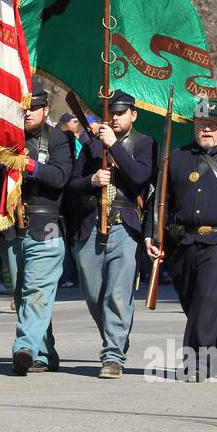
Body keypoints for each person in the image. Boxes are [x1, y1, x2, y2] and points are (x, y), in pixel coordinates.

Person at [146, 98, 217, 380]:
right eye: (201, 125)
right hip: (181, 242)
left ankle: (198, 361)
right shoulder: (178, 157)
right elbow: (160, 200)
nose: (205, 130)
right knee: (192, 303)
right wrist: (152, 233)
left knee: (207, 299)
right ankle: (216, 348)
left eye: (211, 125)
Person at [66, 89, 154, 378]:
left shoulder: (143, 144)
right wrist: (91, 180)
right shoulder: (91, 146)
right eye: (111, 113)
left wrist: (114, 145)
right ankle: (116, 333)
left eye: (120, 112)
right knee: (94, 294)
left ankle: (113, 354)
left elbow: (140, 177)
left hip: (124, 226)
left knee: (118, 293)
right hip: (91, 225)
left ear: (133, 114)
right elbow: (72, 186)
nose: (115, 117)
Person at [8, 79, 75, 376]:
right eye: (25, 107)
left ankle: (24, 347)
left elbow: (61, 177)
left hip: (46, 224)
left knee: (36, 289)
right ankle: (45, 353)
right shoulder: (7, 138)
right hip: (12, 225)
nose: (28, 112)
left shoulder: (57, 139)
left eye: (34, 107)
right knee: (26, 294)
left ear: (45, 109)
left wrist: (30, 166)